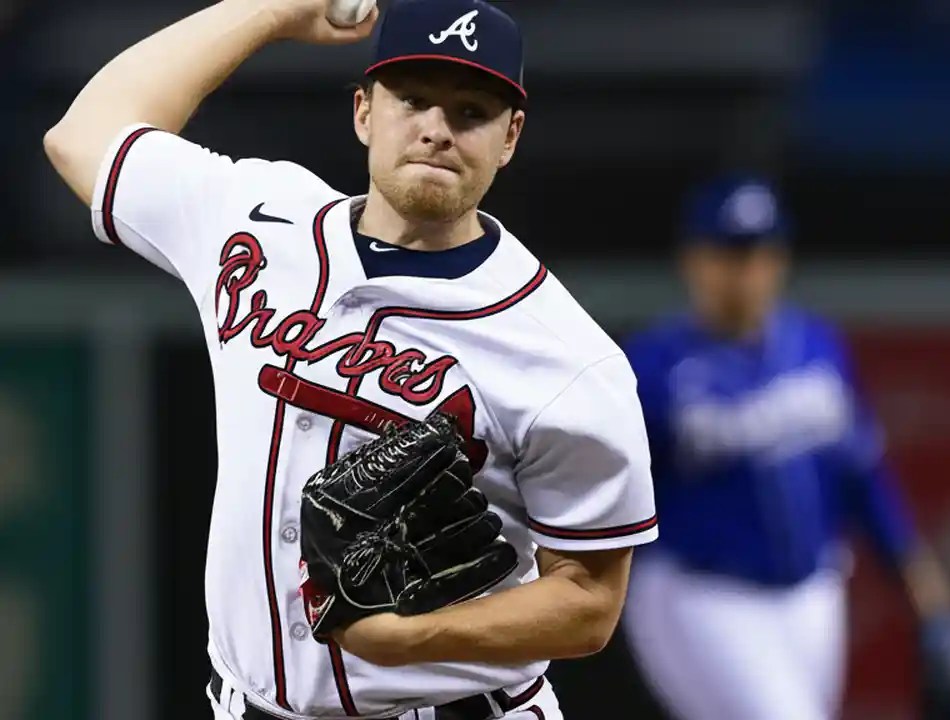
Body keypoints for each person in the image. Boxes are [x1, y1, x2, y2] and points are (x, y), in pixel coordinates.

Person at [43, 1, 658, 718]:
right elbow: (82, 136)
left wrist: (415, 638)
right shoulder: (256, 216)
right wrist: (272, 10)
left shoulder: (566, 356)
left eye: (471, 110)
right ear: (364, 111)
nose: (436, 127)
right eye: (413, 99)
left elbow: (588, 602)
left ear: (510, 137)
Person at [622, 176, 950, 720]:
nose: (748, 271)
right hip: (699, 595)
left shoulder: (818, 347)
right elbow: (606, 497)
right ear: (694, 260)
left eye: (763, 253)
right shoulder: (652, 368)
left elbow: (868, 484)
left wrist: (935, 609)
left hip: (813, 594)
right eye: (730, 253)